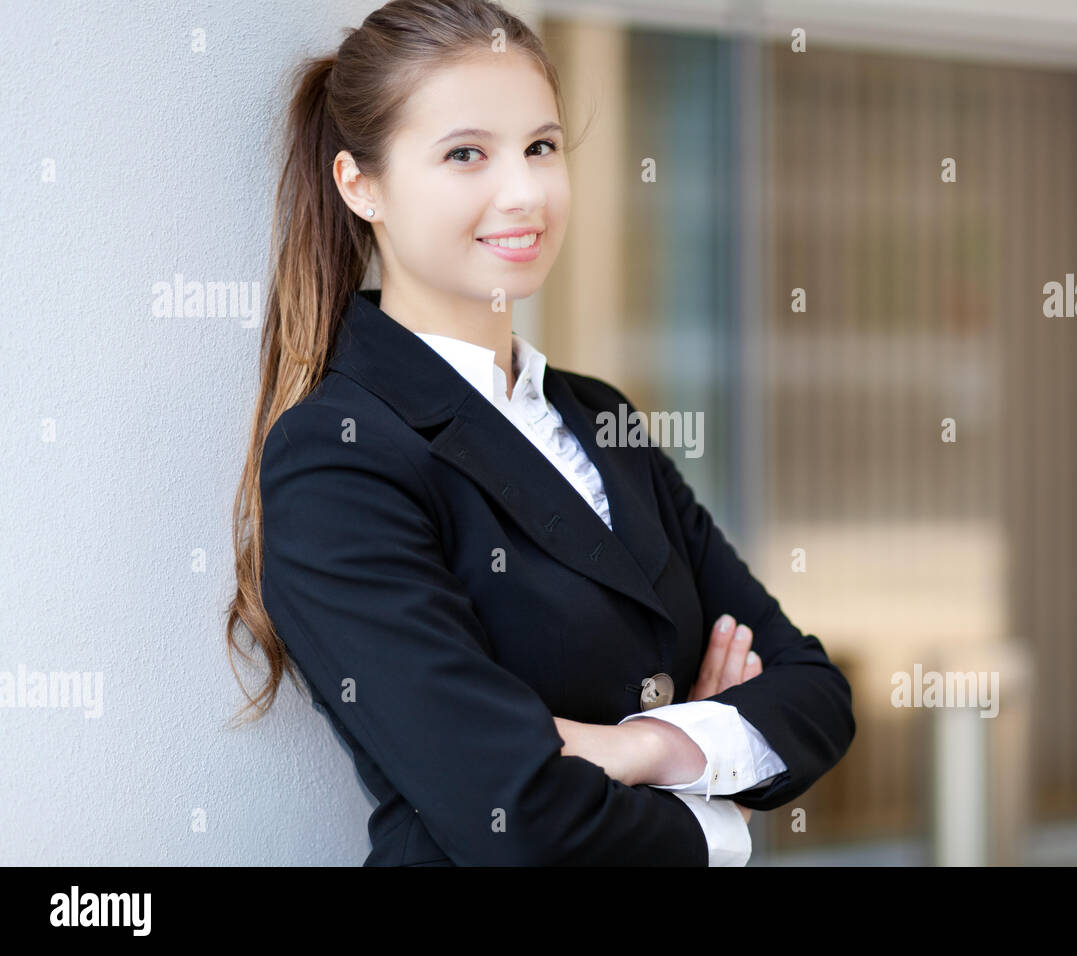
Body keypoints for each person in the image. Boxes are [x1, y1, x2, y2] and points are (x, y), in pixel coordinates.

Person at [224, 0, 854, 866]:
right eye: (466, 154)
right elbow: (515, 813)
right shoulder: (338, 456)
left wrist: (648, 746)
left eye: (542, 147)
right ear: (359, 185)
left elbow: (813, 690)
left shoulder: (601, 416)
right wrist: (716, 817)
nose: (523, 192)